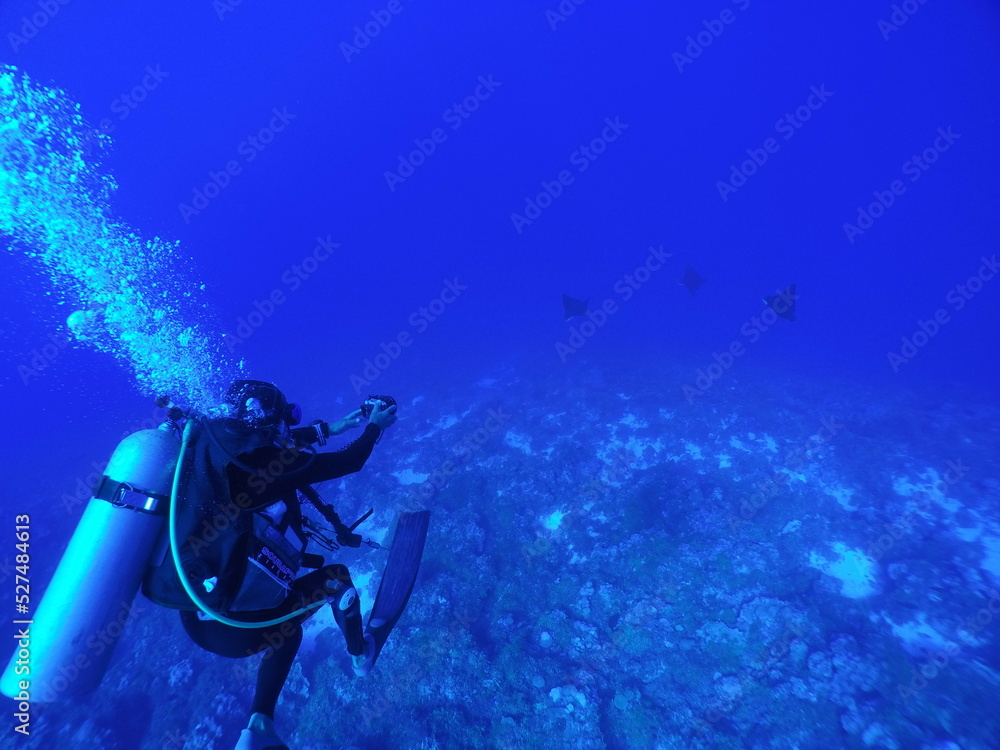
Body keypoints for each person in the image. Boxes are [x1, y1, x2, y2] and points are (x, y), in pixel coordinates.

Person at [175, 380, 396, 750]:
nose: (286, 427)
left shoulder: (210, 448)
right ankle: (362, 657)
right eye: (283, 418)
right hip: (243, 627)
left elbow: (279, 441)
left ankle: (258, 729)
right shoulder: (273, 464)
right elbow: (350, 461)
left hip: (196, 615)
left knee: (288, 629)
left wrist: (340, 424)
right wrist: (375, 426)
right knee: (337, 579)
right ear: (269, 421)